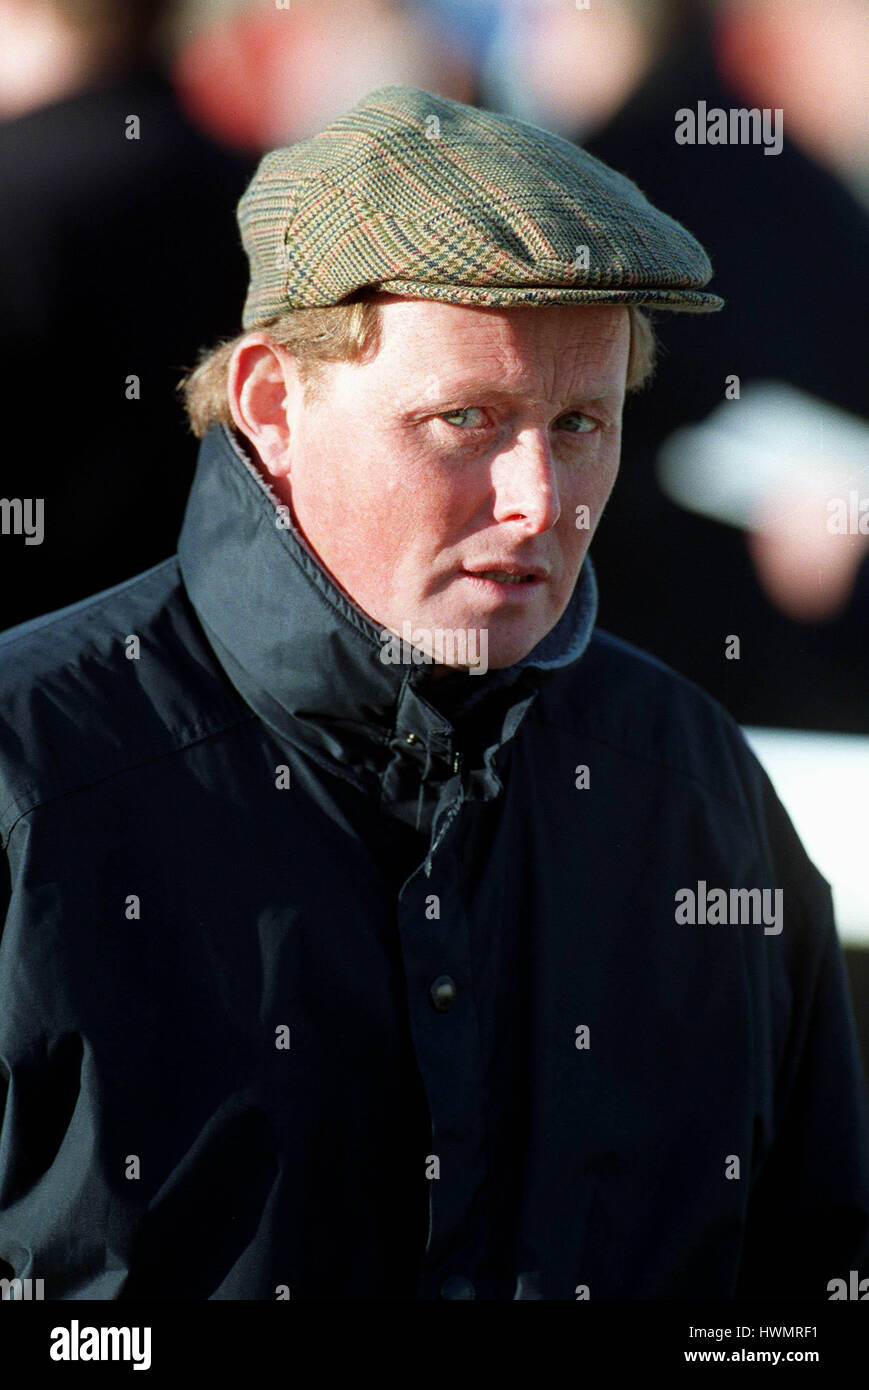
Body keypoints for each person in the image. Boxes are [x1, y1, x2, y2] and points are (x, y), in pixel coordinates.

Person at [0, 85, 866, 1302]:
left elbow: (808, 1275)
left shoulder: (689, 783)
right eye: (465, 419)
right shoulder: (33, 772)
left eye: (580, 423)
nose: (536, 499)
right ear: (271, 406)